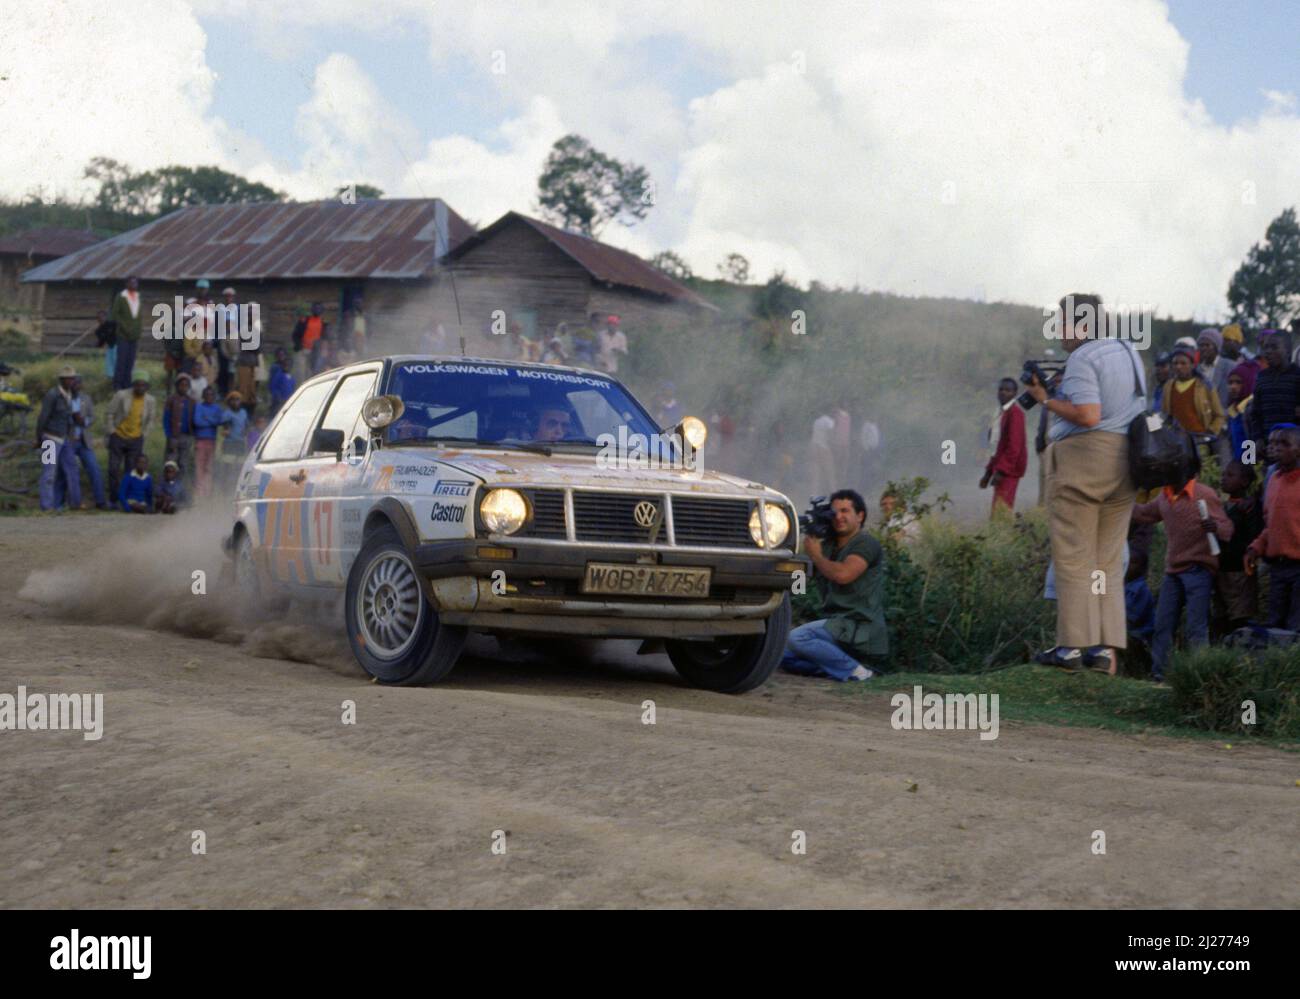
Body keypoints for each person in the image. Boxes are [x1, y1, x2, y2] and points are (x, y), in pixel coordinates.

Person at [1026, 292, 1145, 672]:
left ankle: (1070, 647)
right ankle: (1101, 647)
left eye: (1060, 322)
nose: (1058, 331)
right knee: (1106, 561)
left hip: (1085, 460)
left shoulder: (1083, 356)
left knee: (1073, 555)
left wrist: (1045, 398)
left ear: (1080, 324)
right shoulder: (1128, 351)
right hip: (1126, 462)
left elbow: (1089, 414)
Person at [1131, 460, 1233, 683]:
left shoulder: (1204, 494)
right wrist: (1120, 502)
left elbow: (1226, 528)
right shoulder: (1165, 496)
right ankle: (1160, 673)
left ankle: (1200, 675)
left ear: (1189, 473)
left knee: (1195, 627)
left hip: (1199, 569)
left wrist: (1215, 527)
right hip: (1173, 570)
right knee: (1163, 624)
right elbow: (1145, 514)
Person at [780, 489, 887, 681]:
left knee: (796, 638)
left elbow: (843, 575)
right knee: (780, 654)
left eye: (845, 511)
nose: (838, 517)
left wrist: (816, 555)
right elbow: (799, 583)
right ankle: (841, 668)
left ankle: (860, 673)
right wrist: (793, 556)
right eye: (834, 512)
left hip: (859, 626)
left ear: (860, 516)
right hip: (835, 628)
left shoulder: (865, 543)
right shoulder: (827, 546)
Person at [1244, 426, 1300, 630]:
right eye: (1273, 443)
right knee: (1275, 622)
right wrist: (1256, 547)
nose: (1275, 448)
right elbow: (1271, 523)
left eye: (1284, 444)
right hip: (1279, 565)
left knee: (1295, 625)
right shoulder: (1273, 480)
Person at [1215, 460, 1263, 635]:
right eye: (1223, 474)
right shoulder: (1223, 506)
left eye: (1229, 475)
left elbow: (1253, 538)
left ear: (1244, 482)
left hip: (1240, 571)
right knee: (1221, 615)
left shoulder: (1248, 508)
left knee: (1240, 617)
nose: (1223, 479)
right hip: (1222, 569)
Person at [1162, 346, 1228, 466]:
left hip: (1200, 440)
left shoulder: (1205, 386)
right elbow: (1167, 416)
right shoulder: (1168, 386)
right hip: (1177, 442)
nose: (1178, 367)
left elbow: (1219, 415)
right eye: (1175, 363)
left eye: (1183, 363)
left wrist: (1210, 432)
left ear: (1192, 365)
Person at [1246, 330, 1300, 470]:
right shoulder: (1261, 377)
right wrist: (1257, 440)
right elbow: (1255, 413)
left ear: (1288, 351)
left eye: (1274, 347)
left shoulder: (1297, 376)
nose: (1268, 352)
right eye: (1266, 348)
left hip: (1292, 450)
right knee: (1268, 483)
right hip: (1267, 447)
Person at [35, 365, 82, 512]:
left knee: (72, 469)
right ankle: (46, 506)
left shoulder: (70, 395)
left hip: (65, 437)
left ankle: (75, 503)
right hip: (50, 437)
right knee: (49, 472)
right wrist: (39, 437)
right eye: (68, 379)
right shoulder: (52, 395)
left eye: (72, 379)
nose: (71, 381)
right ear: (61, 380)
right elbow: (43, 417)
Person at [60, 376, 110, 510]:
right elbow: (57, 418)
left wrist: (85, 421)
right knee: (69, 471)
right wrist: (73, 419)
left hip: (84, 440)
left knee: (94, 469)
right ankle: (70, 502)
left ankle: (100, 501)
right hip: (67, 440)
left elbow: (92, 416)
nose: (76, 385)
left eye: (79, 383)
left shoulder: (86, 398)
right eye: (74, 382)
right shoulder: (63, 398)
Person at [980, 377, 1027, 516]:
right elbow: (996, 446)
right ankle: (998, 534)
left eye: (1008, 390)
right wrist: (988, 473)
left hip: (1009, 470)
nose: (1003, 393)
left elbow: (1014, 446)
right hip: (1000, 466)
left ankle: (1002, 535)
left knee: (1002, 508)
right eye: (1001, 389)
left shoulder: (1015, 413)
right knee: (998, 507)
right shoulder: (1000, 412)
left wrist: (1001, 471)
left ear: (1015, 393)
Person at [105, 373, 155, 504]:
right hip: (118, 436)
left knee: (130, 472)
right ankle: (113, 500)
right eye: (138, 384)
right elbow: (110, 412)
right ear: (133, 385)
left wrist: (144, 434)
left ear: (147, 387)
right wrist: (112, 431)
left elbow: (150, 419)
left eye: (143, 385)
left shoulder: (150, 400)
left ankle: (127, 500)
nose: (140, 387)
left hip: (136, 439)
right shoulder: (122, 395)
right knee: (113, 469)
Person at [163, 373, 197, 488]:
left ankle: (179, 488)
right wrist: (169, 435)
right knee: (171, 462)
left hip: (186, 436)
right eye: (181, 385)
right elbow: (166, 419)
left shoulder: (192, 401)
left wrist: (193, 435)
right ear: (177, 386)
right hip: (173, 436)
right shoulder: (171, 400)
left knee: (183, 463)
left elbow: (193, 418)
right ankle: (167, 487)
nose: (184, 387)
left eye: (186, 385)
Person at [193, 385, 227, 499]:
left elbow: (220, 421)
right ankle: (200, 493)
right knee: (199, 467)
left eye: (212, 394)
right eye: (207, 394)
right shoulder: (199, 407)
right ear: (203, 396)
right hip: (200, 440)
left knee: (209, 467)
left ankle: (207, 493)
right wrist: (212, 421)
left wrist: (206, 418)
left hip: (212, 440)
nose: (209, 396)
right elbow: (197, 422)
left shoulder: (217, 408)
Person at [109, 276, 143, 390]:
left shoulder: (138, 297)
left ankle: (127, 384)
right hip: (123, 335)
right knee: (121, 361)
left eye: (136, 282)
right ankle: (117, 385)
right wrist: (124, 328)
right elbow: (115, 315)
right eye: (132, 282)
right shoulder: (121, 297)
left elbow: (139, 317)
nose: (134, 285)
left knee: (130, 361)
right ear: (127, 284)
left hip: (134, 335)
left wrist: (138, 331)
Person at [217, 391, 249, 493]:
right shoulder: (227, 413)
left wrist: (246, 431)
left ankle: (238, 489)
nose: (235, 402)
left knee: (239, 468)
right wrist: (226, 431)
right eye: (233, 400)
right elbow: (225, 428)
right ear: (229, 402)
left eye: (237, 399)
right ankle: (225, 490)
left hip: (240, 443)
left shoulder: (243, 412)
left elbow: (247, 425)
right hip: (230, 443)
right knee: (228, 467)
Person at [1225, 364, 1256, 463]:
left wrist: (1248, 464)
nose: (1233, 387)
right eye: (1230, 383)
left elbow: (1251, 440)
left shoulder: (1252, 408)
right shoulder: (1231, 410)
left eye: (1238, 382)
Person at [1196, 328, 1234, 409]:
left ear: (1216, 347)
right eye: (1201, 345)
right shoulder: (1196, 370)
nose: (1203, 348)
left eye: (1207, 345)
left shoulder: (1229, 366)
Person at [291, 303, 327, 383]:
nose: (317, 310)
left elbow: (324, 338)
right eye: (315, 308)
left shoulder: (323, 323)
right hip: (302, 350)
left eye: (319, 308)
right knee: (300, 373)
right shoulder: (304, 320)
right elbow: (295, 335)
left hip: (314, 352)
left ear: (322, 311)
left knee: (309, 374)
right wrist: (299, 346)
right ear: (312, 310)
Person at [216, 286, 240, 396]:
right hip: (223, 336)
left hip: (234, 337)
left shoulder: (237, 309)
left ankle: (233, 390)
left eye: (230, 296)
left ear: (233, 297)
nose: (228, 298)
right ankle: (222, 390)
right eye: (226, 296)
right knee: (223, 365)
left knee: (233, 366)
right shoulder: (220, 309)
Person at [810, 411, 836, 499]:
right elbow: (831, 434)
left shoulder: (816, 421)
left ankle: (814, 495)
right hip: (824, 448)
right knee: (830, 473)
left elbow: (814, 437)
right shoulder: (829, 421)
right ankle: (833, 494)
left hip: (815, 447)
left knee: (816, 473)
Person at [268, 347, 296, 417]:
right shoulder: (277, 372)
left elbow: (293, 387)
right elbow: (272, 386)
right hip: (279, 399)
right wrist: (277, 396)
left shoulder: (291, 376)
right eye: (285, 365)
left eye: (289, 365)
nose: (287, 367)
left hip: (288, 399)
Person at [92, 309, 117, 381]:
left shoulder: (113, 324)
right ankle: (111, 377)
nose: (101, 318)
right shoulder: (98, 331)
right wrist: (96, 345)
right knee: (109, 363)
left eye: (102, 316)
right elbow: (101, 342)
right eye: (98, 317)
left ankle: (119, 376)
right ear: (97, 319)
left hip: (117, 346)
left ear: (106, 317)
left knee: (117, 361)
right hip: (110, 347)